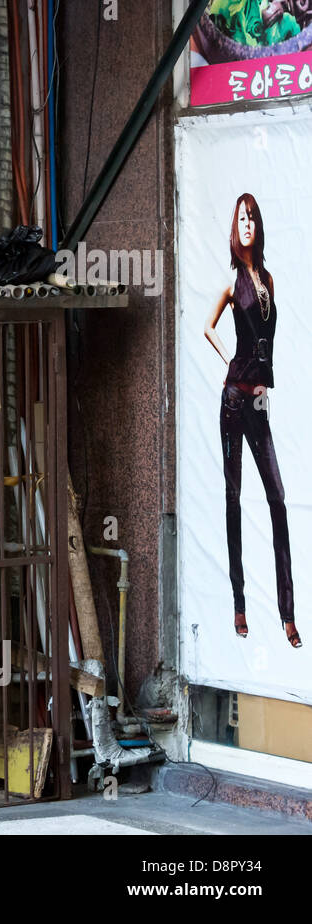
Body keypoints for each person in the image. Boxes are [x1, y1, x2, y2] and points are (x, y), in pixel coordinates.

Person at [204, 193, 299, 648]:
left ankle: (288, 612)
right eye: (241, 218)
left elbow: (270, 342)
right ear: (234, 226)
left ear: (258, 226)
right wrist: (231, 361)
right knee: (233, 499)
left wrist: (264, 380)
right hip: (231, 401)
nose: (247, 225)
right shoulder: (231, 281)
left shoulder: (269, 282)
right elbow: (209, 327)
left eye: (252, 218)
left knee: (277, 498)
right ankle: (239, 605)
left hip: (258, 401)